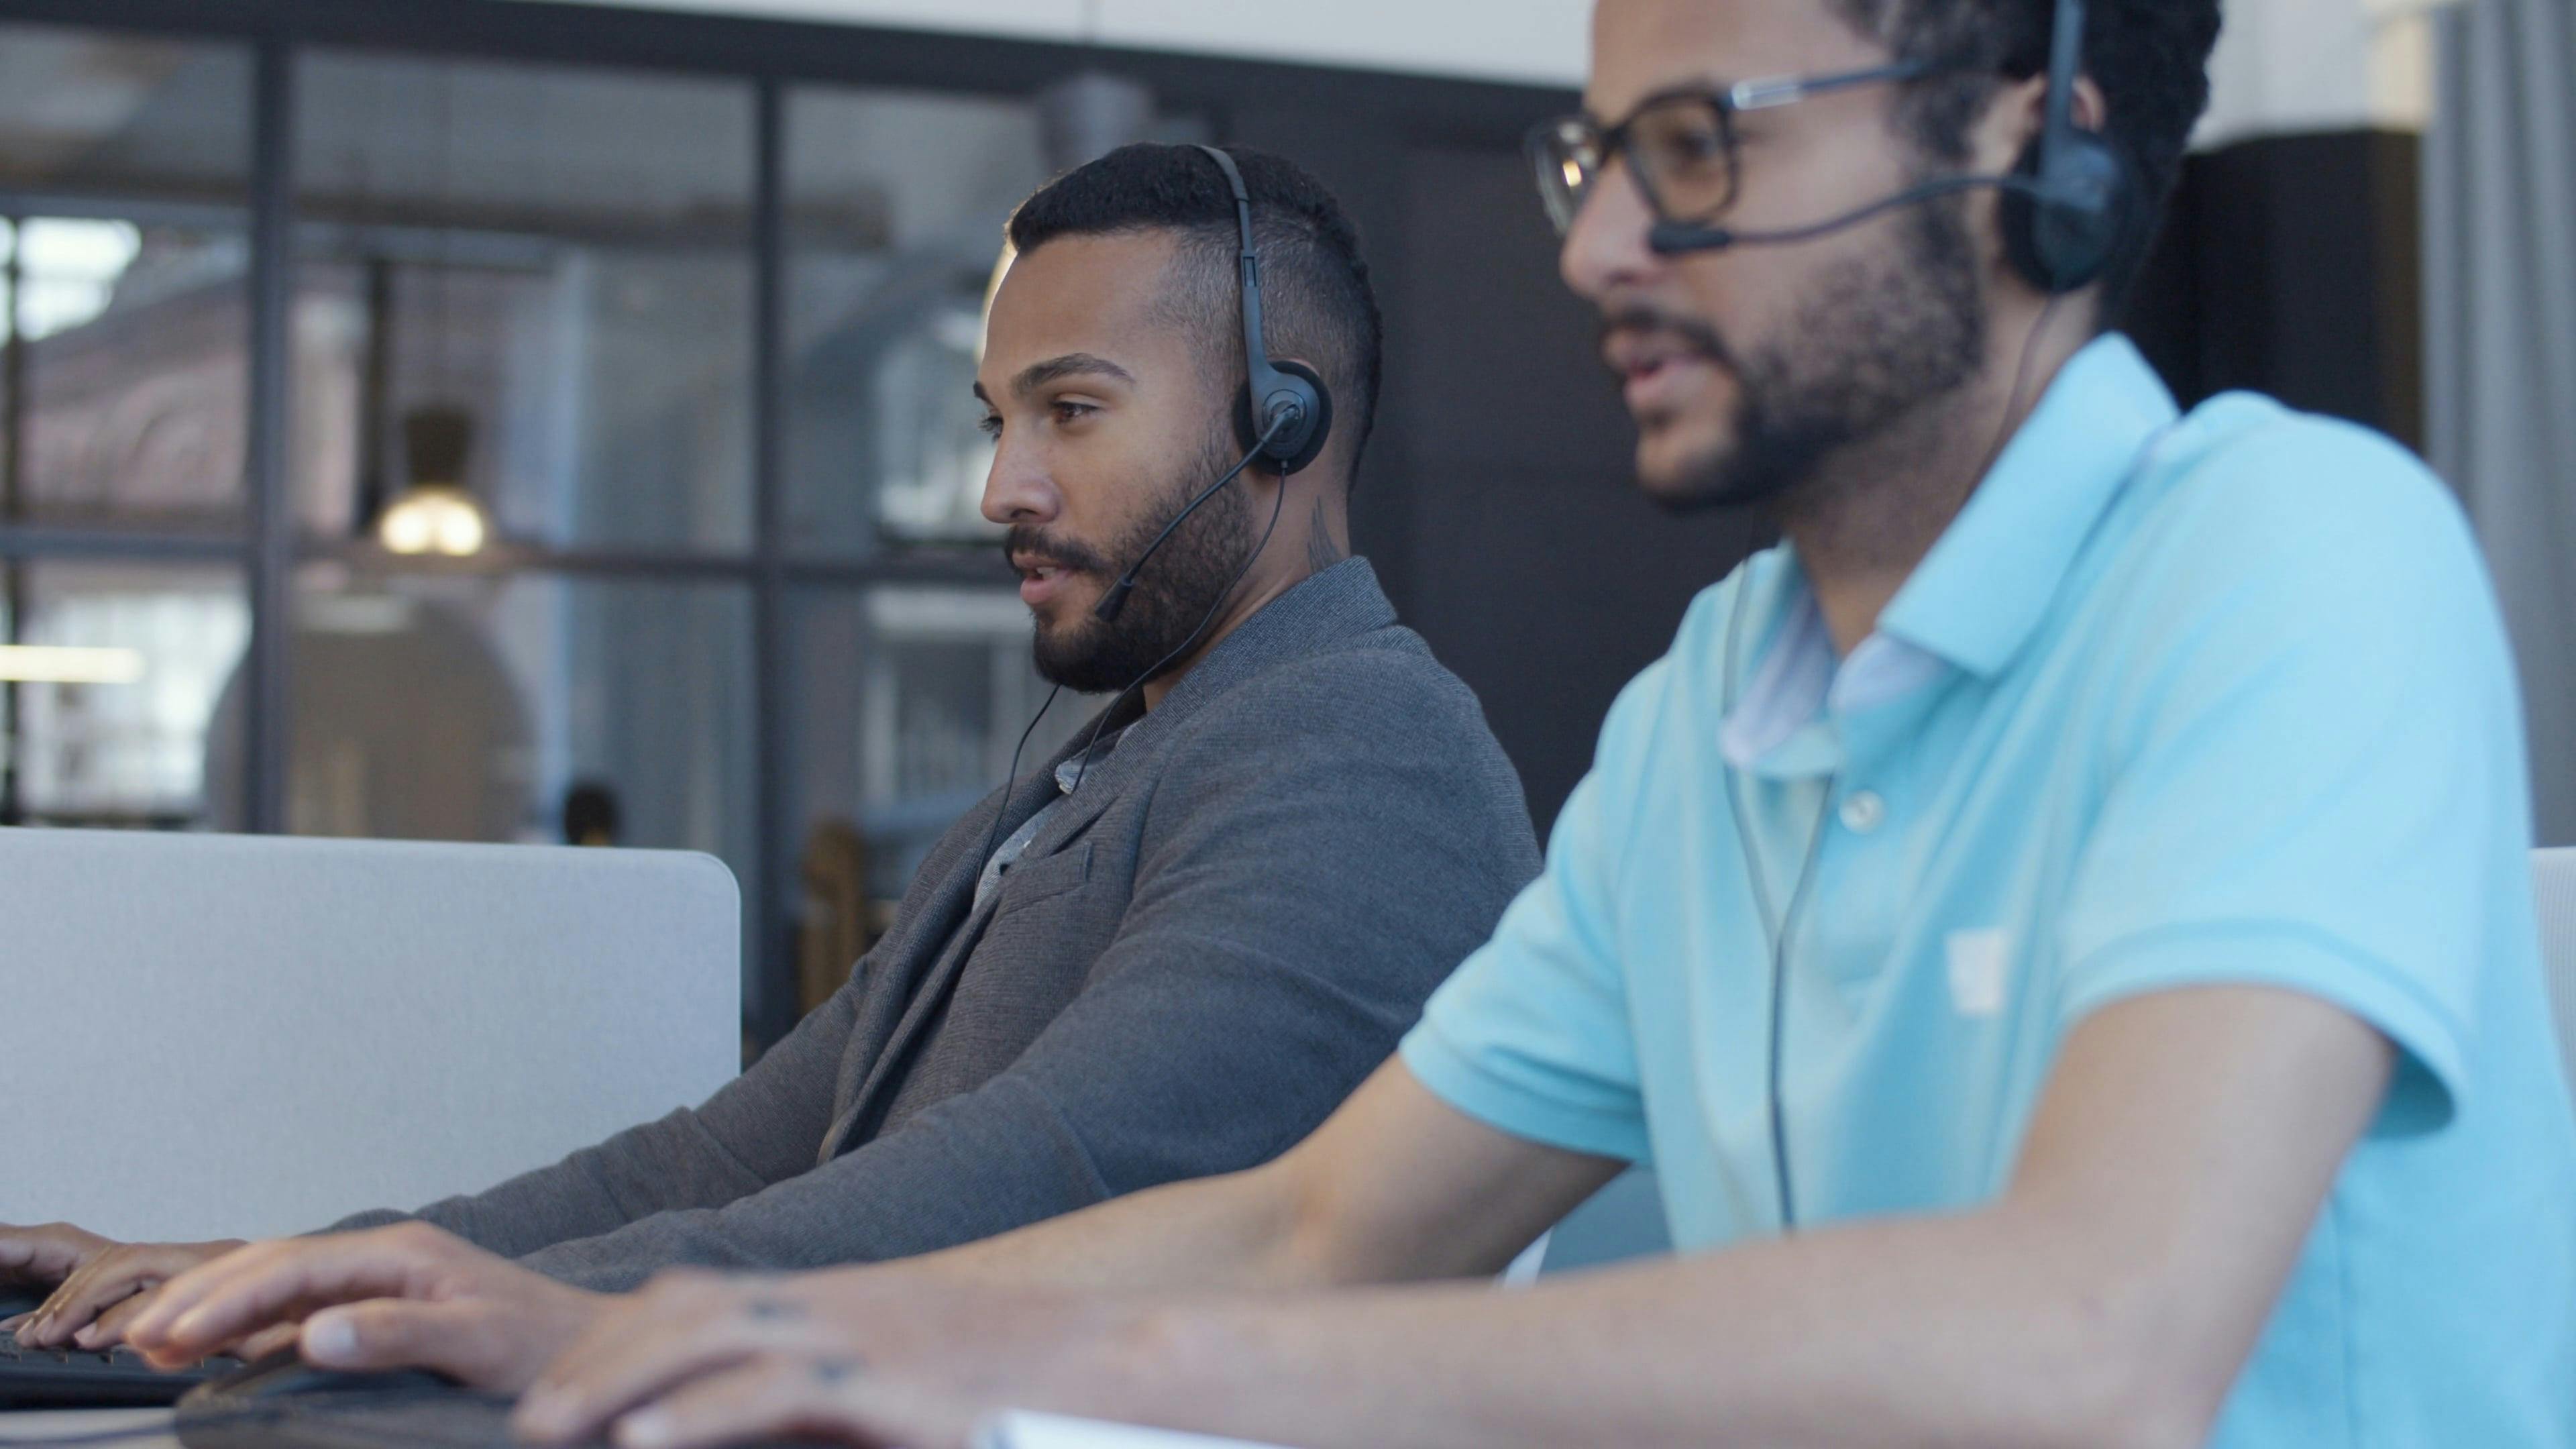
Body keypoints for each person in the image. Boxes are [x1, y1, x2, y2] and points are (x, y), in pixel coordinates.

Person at [118, 1, 2576, 1443]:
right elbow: (1329, 1218)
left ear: (2031, 148)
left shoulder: (2286, 557)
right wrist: (695, 1332)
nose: (1604, 241)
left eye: (1705, 151)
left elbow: (2097, 1333)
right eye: (1604, 158)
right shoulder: (1722, 702)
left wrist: (930, 1355)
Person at [0, 144, 1542, 1379]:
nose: (1005, 485)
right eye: (1001, 418)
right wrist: (272, 1267)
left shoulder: (1362, 755)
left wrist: (458, 1315)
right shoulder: (1084, 777)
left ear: (1284, 423)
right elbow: (717, 1159)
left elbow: (1046, 1176)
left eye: (1073, 409)